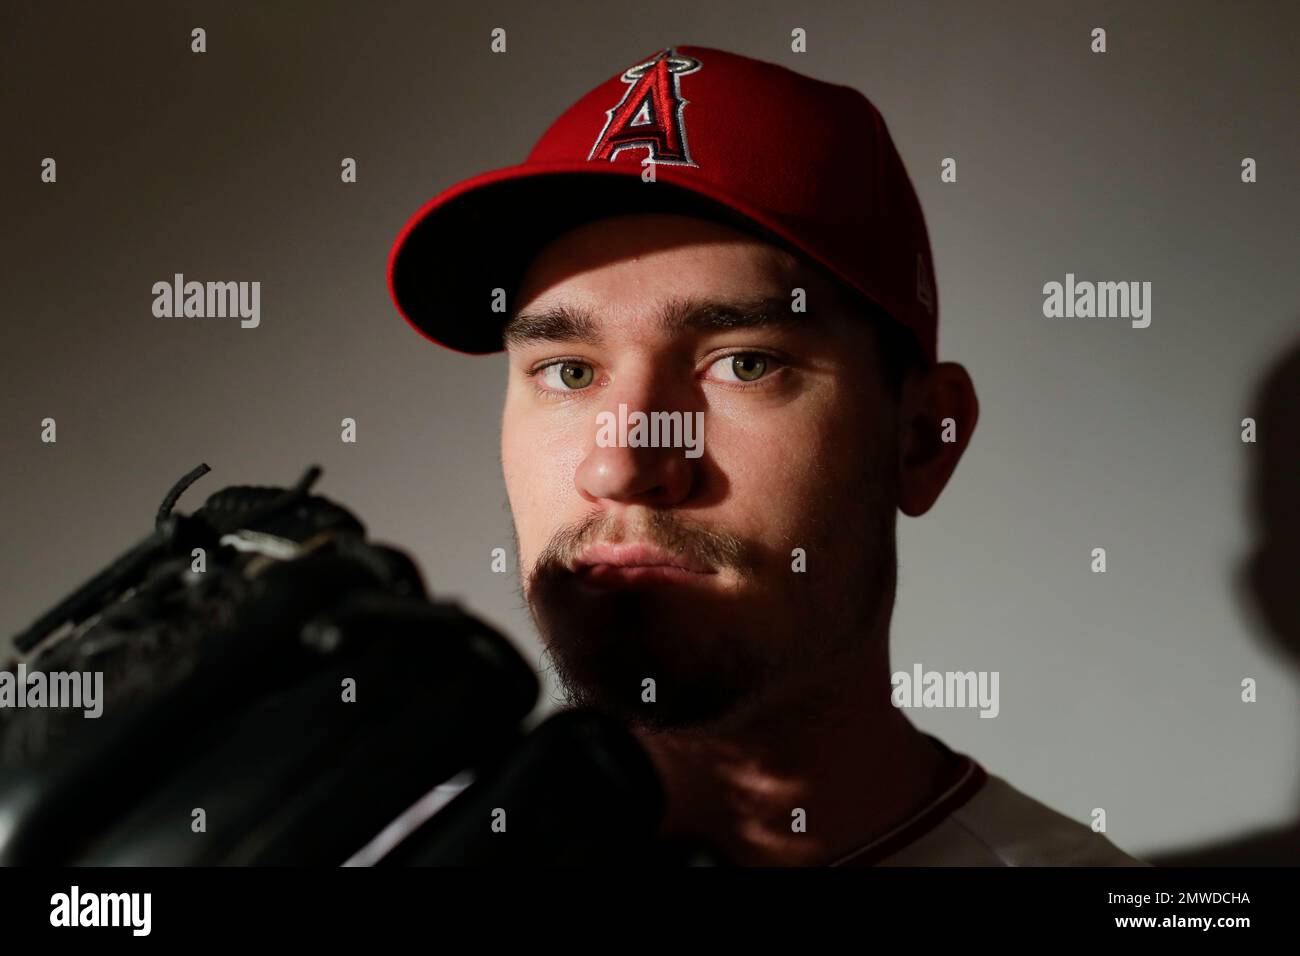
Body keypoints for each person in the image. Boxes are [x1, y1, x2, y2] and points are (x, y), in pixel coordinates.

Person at [388, 45, 1147, 866]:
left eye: (745, 363)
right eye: (569, 371)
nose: (622, 466)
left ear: (923, 438)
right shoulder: (359, 841)